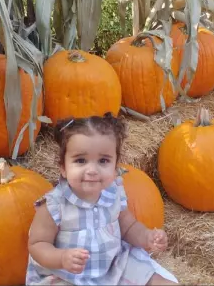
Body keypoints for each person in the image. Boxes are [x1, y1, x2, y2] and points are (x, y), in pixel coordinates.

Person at [26, 113, 179, 285]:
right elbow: (38, 244)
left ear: (115, 167)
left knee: (152, 277)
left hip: (113, 264)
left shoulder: (114, 193)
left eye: (103, 160)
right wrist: (61, 258)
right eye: (81, 160)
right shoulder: (54, 205)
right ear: (63, 167)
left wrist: (146, 237)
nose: (92, 170)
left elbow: (129, 227)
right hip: (68, 275)